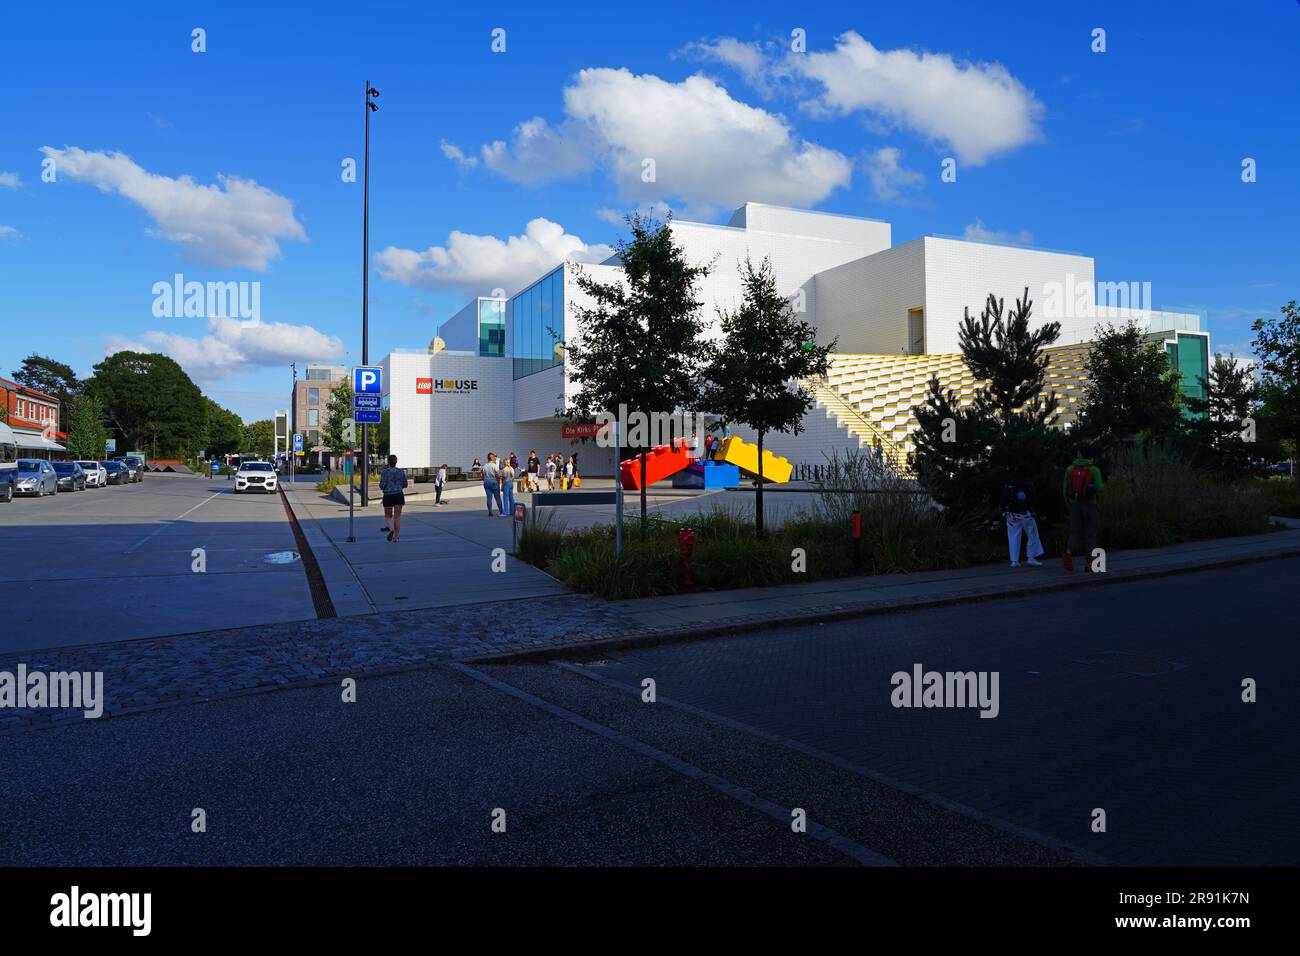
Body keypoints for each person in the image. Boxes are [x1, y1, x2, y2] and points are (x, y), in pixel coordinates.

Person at [1062, 449, 1105, 571]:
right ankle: (1089, 564)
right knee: (1091, 534)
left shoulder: (1070, 469)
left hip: (1074, 506)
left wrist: (1068, 504)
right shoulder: (1094, 470)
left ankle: (1068, 552)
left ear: (1079, 454)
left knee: (1074, 533)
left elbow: (1065, 488)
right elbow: (1100, 488)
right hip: (1090, 506)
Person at [1001, 466, 1043, 568]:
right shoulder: (1027, 484)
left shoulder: (1009, 484)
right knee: (1032, 535)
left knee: (1013, 537)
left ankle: (1014, 561)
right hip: (1025, 515)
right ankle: (1031, 558)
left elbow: (1003, 499)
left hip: (1011, 514)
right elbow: (1033, 500)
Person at [379, 454, 407, 542]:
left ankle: (391, 530)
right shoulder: (401, 471)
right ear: (396, 462)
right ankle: (396, 537)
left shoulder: (384, 472)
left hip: (388, 496)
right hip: (399, 495)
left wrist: (384, 486)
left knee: (388, 516)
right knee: (397, 517)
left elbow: (382, 485)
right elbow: (405, 484)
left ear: (388, 462)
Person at [483, 452, 504, 516]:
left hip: (486, 482)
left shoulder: (485, 466)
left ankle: (490, 511)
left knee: (489, 497)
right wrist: (499, 479)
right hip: (494, 482)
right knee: (497, 497)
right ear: (492, 458)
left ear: (488, 458)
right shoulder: (495, 466)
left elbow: (482, 475)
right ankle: (501, 511)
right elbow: (497, 474)